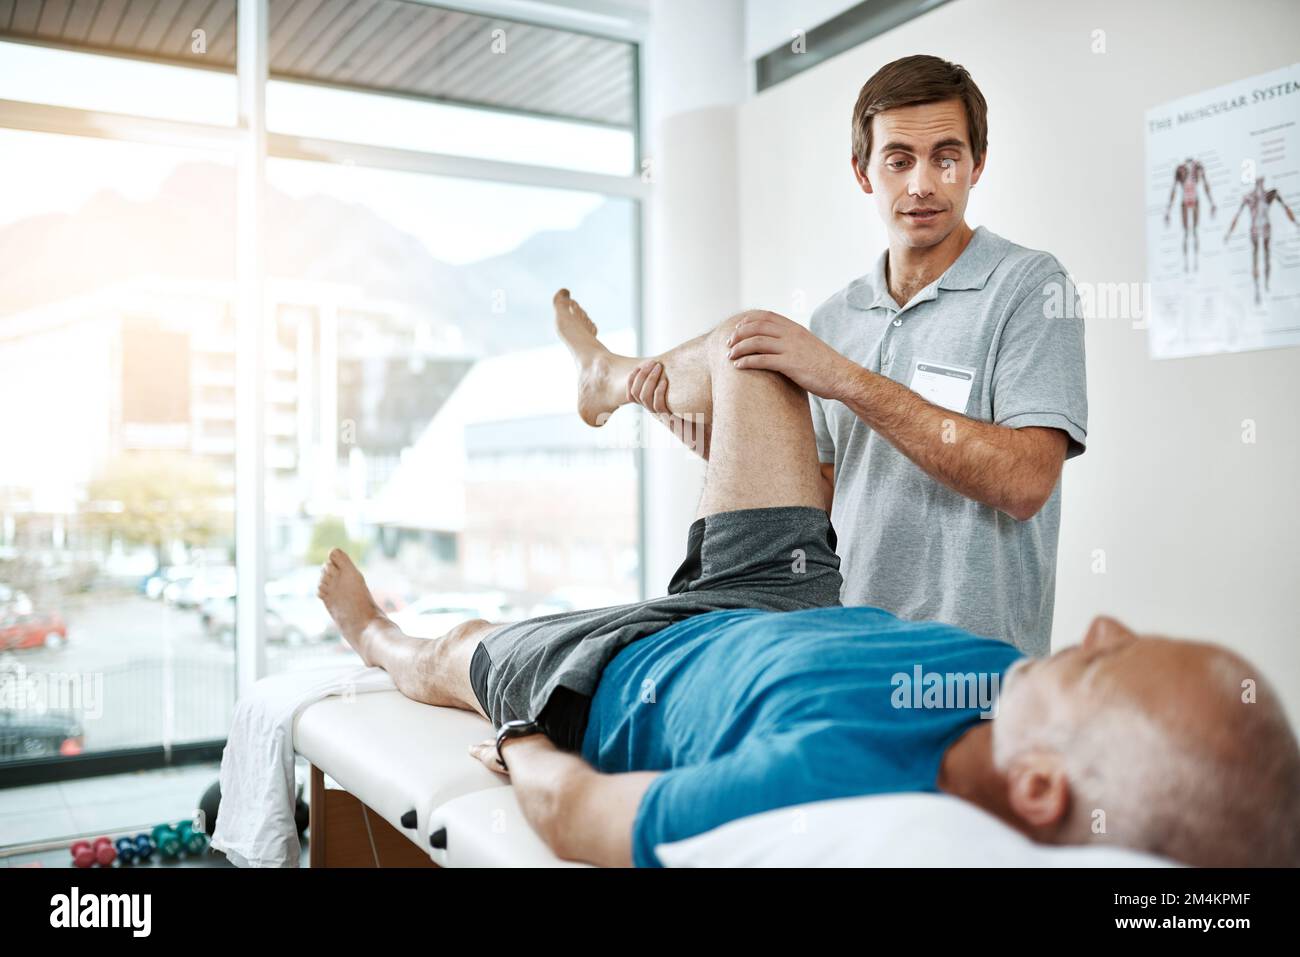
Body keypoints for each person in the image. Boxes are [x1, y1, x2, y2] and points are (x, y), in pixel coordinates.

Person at [316, 292, 1300, 868]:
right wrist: (725, 450)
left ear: (1039, 788)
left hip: (619, 672)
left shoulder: (825, 784)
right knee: (755, 344)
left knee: (451, 648)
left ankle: (371, 639)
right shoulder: (1004, 692)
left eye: (1100, 667)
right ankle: (611, 379)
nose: (1100, 627)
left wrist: (524, 740)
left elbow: (573, 816)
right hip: (785, 592)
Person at [619, 55, 1088, 656]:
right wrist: (718, 444)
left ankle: (607, 373)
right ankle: (614, 376)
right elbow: (819, 499)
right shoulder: (834, 319)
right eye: (899, 160)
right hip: (850, 652)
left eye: (946, 157)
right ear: (864, 172)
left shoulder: (1030, 286)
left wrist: (845, 379)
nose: (922, 183)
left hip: (977, 672)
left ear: (977, 166)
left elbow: (1025, 482)